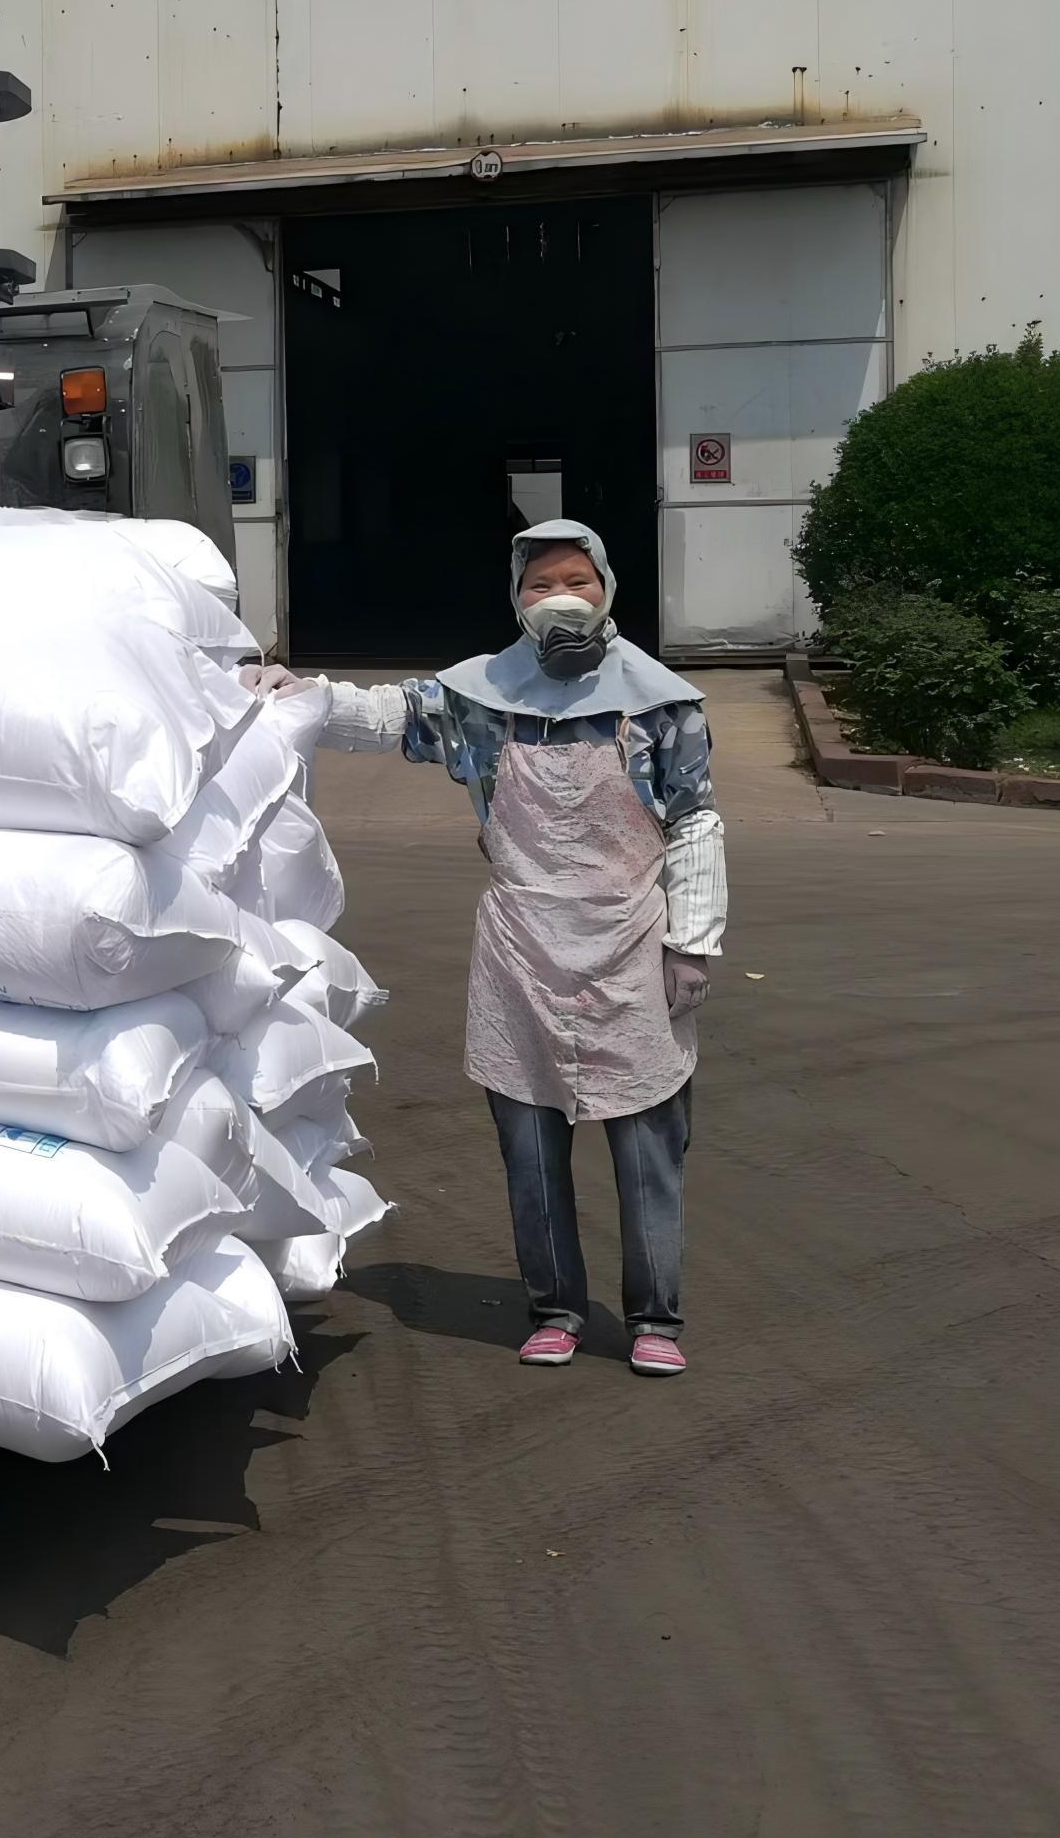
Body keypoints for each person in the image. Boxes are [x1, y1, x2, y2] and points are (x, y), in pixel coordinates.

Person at [272, 520, 725, 1376]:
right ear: (516, 600)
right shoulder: (480, 698)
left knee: (647, 1144)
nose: (561, 600)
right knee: (530, 1145)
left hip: (631, 942)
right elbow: (387, 715)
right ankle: (554, 1309)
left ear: (609, 590)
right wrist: (303, 694)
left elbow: (695, 818)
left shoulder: (662, 704)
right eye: (540, 585)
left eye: (578, 582)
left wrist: (692, 942)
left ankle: (654, 1319)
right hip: (522, 948)